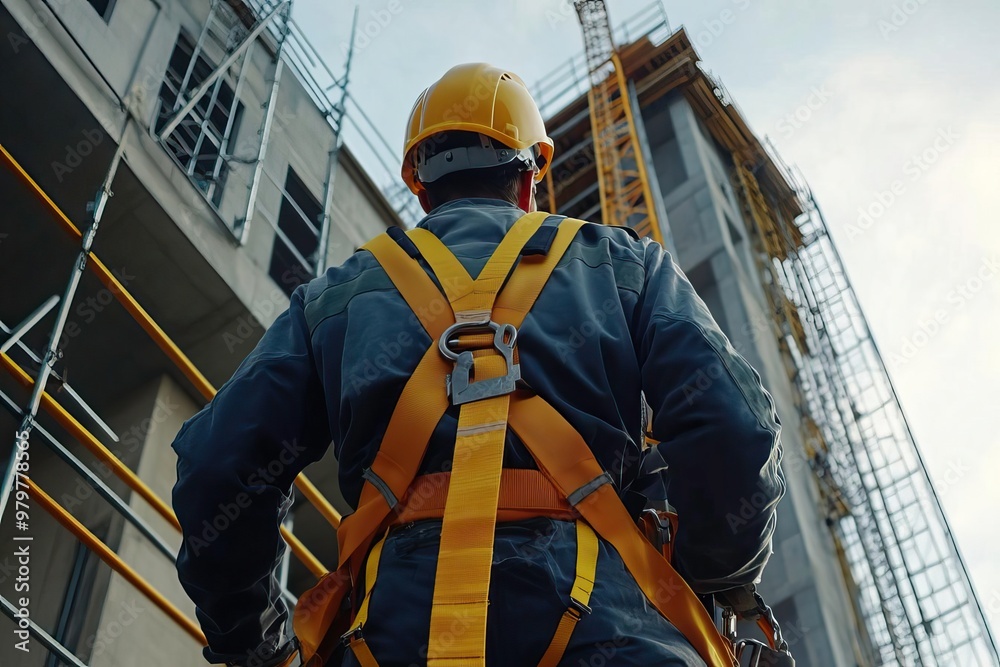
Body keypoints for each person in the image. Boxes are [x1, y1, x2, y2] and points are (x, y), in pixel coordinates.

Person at [171, 63, 785, 667]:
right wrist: (713, 573)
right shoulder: (625, 264)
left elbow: (217, 470)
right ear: (530, 176)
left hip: (395, 638)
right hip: (611, 635)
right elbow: (735, 426)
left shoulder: (335, 299)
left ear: (421, 186)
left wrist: (254, 642)